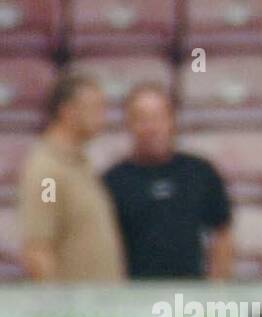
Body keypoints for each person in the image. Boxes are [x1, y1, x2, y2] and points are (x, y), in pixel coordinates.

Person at [103, 84, 233, 280]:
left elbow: (221, 232)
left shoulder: (200, 172)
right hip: (132, 297)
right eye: (141, 119)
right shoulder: (112, 181)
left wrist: (217, 289)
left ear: (172, 121)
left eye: (157, 118)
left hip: (189, 297)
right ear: (128, 124)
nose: (150, 128)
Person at [17, 73, 125, 282]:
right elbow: (39, 248)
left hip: (99, 303)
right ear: (68, 112)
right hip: (76, 309)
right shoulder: (47, 172)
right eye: (95, 108)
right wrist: (58, 307)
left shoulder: (80, 164)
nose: (103, 116)